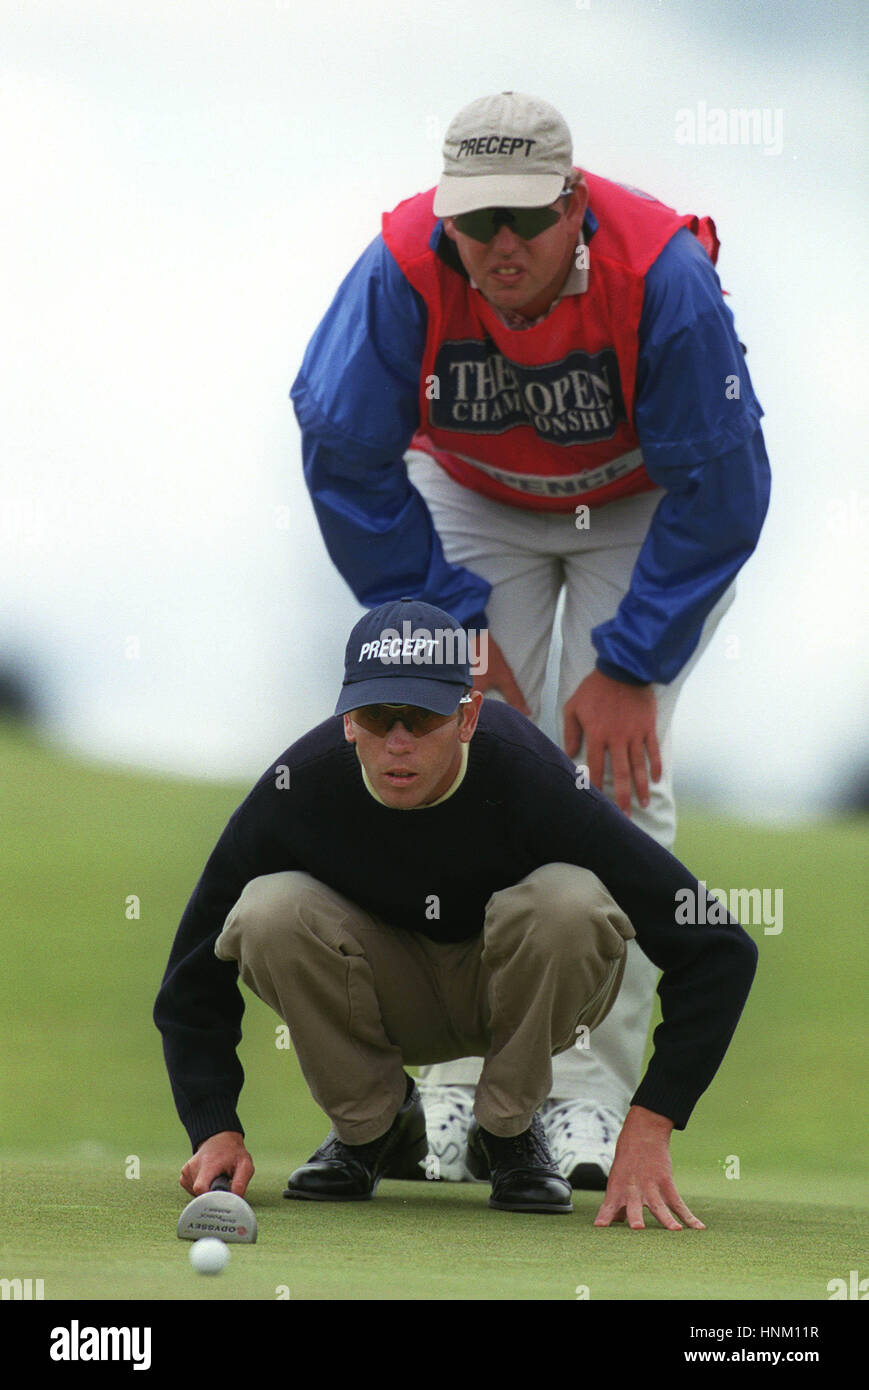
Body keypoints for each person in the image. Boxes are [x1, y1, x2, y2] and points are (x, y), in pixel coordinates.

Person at [289, 92, 770, 1186]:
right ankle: (464, 1094)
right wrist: (446, 619)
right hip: (471, 492)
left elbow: (725, 486)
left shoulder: (663, 280)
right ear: (446, 218)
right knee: (466, 758)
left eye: (523, 218)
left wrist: (632, 661)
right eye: (475, 222)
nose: (498, 247)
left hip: (642, 504)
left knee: (606, 779)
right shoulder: (400, 266)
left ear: (573, 206)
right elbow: (341, 454)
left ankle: (587, 1103)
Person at [154, 598, 757, 1226]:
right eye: (377, 716)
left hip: (510, 994)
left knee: (570, 902)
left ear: (467, 718)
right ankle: (373, 1129)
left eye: (422, 717)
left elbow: (716, 946)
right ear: (347, 722)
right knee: (265, 911)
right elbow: (191, 977)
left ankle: (508, 1132)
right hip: (385, 995)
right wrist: (213, 1127)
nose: (398, 741)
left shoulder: (532, 777)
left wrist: (651, 1123)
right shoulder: (297, 787)